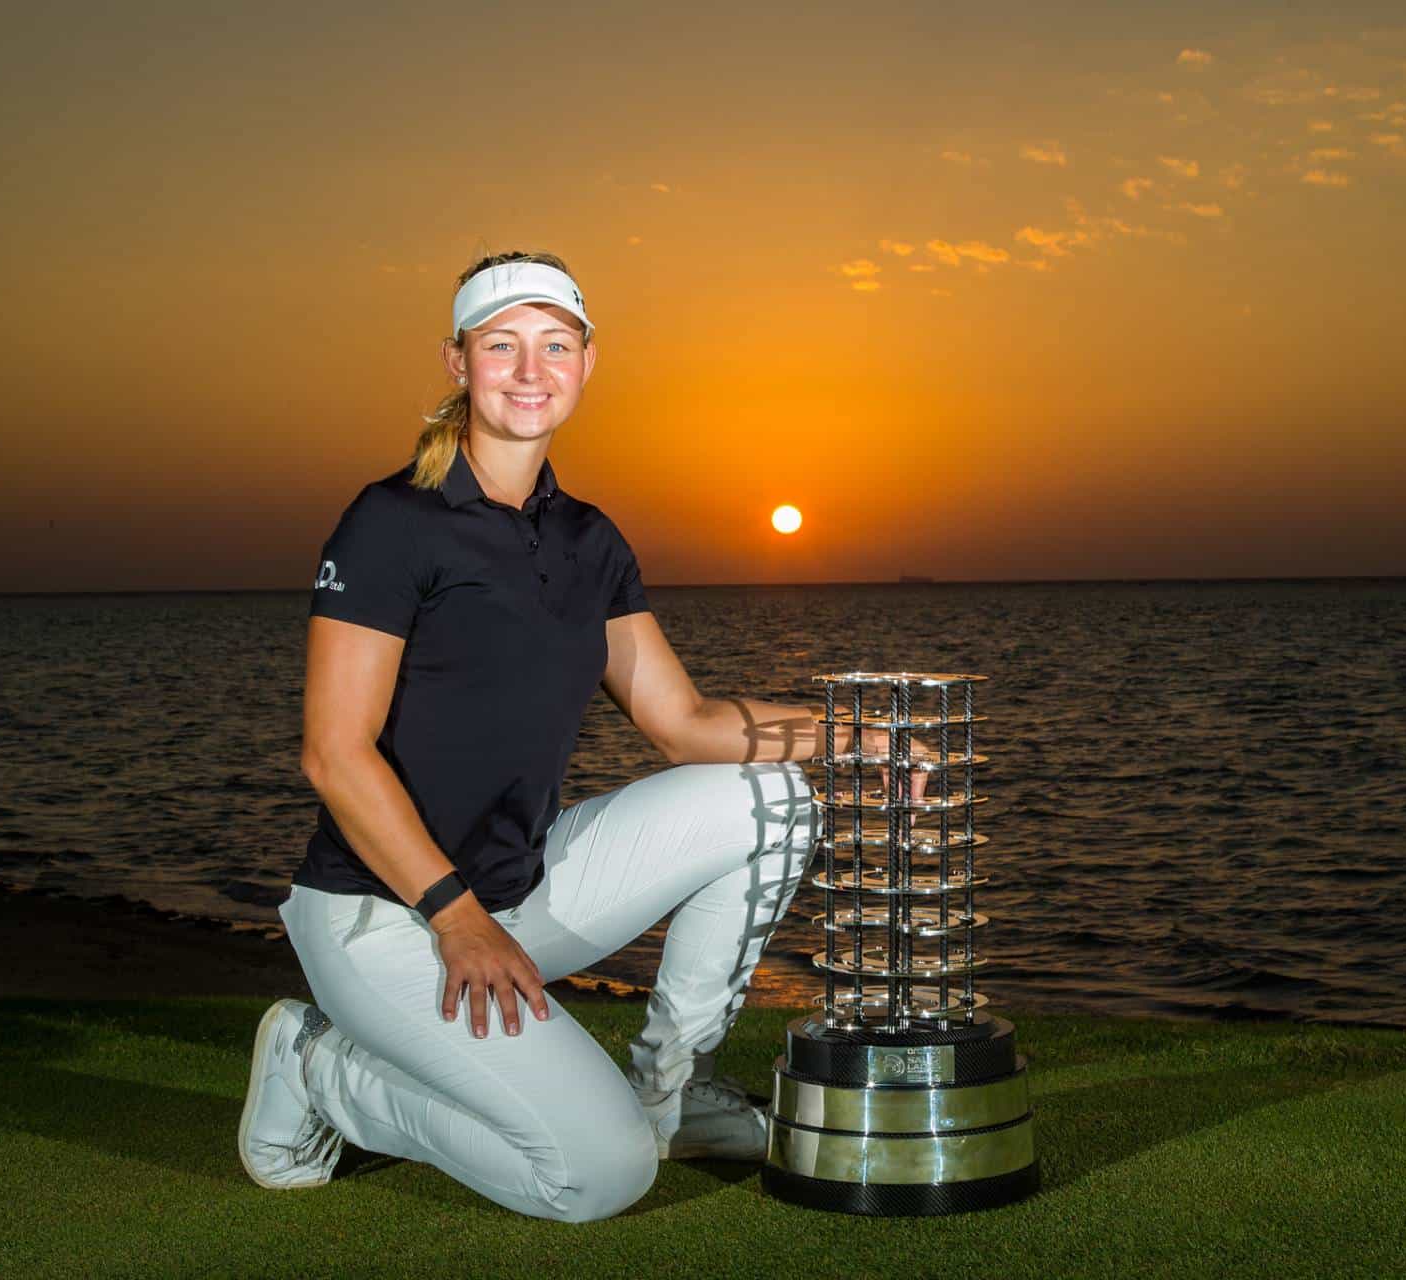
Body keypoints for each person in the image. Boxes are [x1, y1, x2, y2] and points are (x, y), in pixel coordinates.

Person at [235, 251, 908, 1223]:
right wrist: (457, 918)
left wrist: (862, 736)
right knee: (596, 1176)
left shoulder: (590, 541)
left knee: (771, 796)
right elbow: (333, 752)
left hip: (521, 894)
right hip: (388, 920)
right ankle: (324, 1067)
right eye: (500, 345)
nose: (528, 368)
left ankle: (674, 1088)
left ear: (588, 363)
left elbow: (687, 725)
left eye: (554, 344)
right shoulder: (392, 523)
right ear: (458, 362)